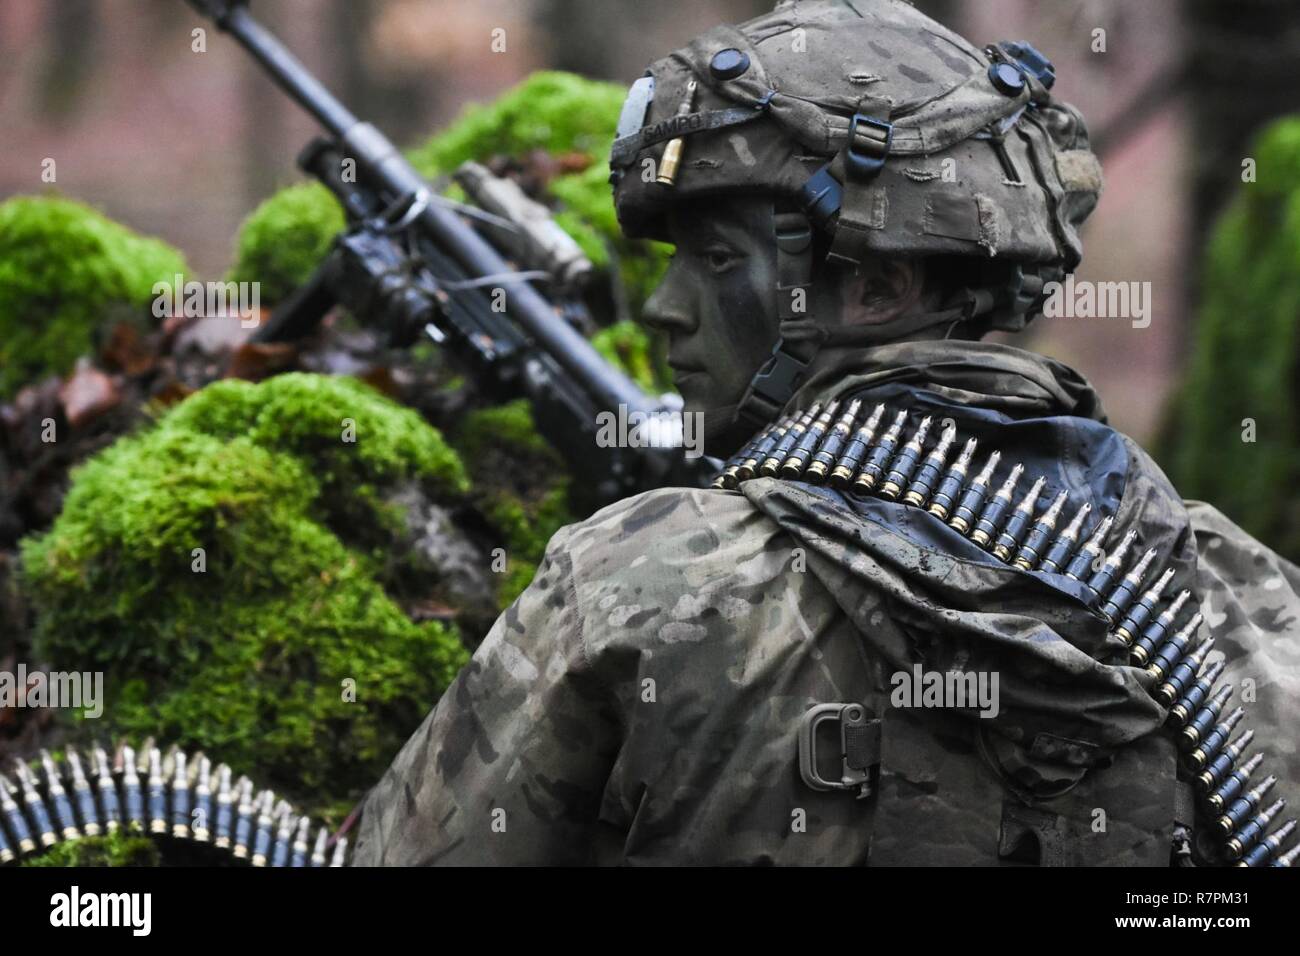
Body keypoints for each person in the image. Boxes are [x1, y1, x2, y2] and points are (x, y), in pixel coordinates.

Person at [352, 0, 1300, 866]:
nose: (667, 309)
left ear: (878, 286)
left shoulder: (633, 584)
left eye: (718, 259)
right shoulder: (1239, 590)